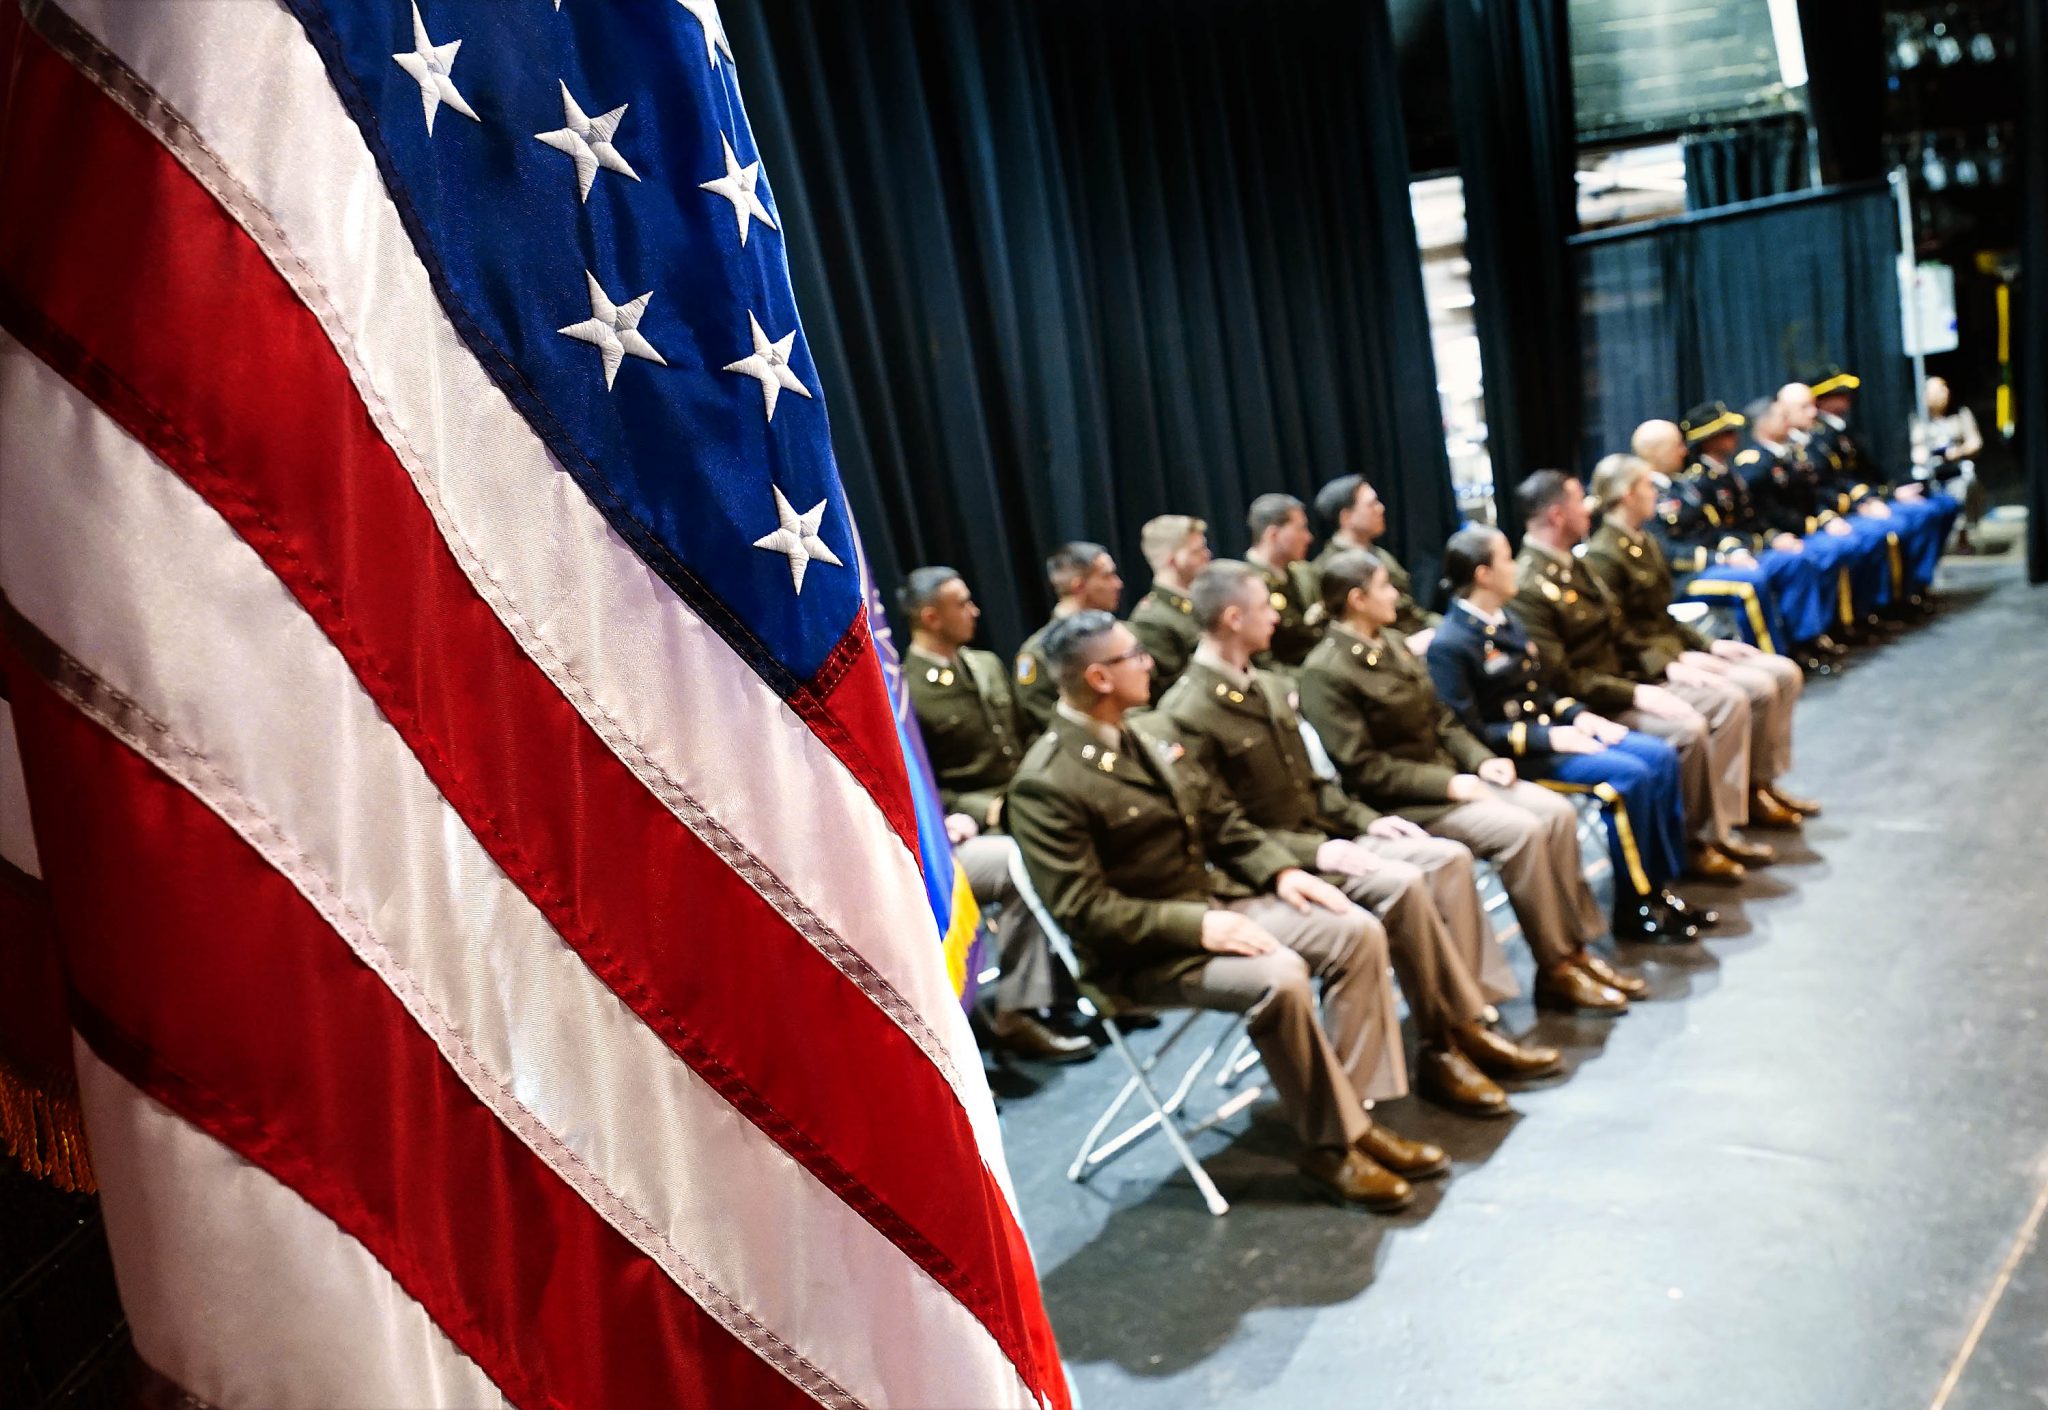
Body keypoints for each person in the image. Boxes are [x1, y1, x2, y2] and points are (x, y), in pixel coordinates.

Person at [1007, 611, 1439, 1209]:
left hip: (1210, 907)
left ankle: (1356, 1117)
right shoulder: (1047, 780)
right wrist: (1200, 925)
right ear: (1100, 678)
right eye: (1135, 655)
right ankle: (1331, 1147)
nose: (1149, 662)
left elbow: (1221, 823)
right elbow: (1084, 911)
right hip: (1142, 956)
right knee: (1280, 976)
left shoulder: (1146, 734)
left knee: (1354, 930)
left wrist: (1281, 871)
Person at [1160, 560, 1563, 1116]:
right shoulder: (1187, 711)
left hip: (1322, 841)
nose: (1276, 616)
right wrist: (1313, 852)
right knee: (1401, 882)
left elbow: (1314, 787)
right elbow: (1217, 825)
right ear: (1233, 618)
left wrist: (1364, 820)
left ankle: (1459, 1032)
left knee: (1443, 859)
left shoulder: (1267, 686)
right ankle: (1437, 1050)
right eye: (1264, 606)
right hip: (1267, 866)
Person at [1298, 548, 1644, 1009]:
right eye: (1384, 587)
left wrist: (1479, 761)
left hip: (1453, 776)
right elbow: (1363, 767)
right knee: (1522, 830)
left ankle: (1578, 948)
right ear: (1357, 599)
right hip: (1403, 802)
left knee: (1556, 813)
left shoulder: (1392, 642)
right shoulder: (1324, 671)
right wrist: (1446, 784)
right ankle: (1555, 966)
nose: (1396, 595)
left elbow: (1442, 720)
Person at [1425, 527, 1696, 968]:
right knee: (1627, 779)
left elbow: (1542, 690)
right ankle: (1636, 904)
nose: (1516, 567)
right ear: (1483, 574)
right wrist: (1546, 737)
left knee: (1659, 757)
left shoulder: (1504, 619)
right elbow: (1467, 730)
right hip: (1516, 758)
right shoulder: (1451, 643)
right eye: (1506, 559)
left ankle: (1661, 886)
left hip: (1553, 734)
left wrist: (1579, 716)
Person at [1511, 470, 1769, 880]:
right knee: (1688, 729)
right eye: (1578, 500)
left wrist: (1671, 664)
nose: (1589, 507)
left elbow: (1622, 633)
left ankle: (1726, 818)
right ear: (1557, 515)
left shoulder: (1574, 565)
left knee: (1726, 698)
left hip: (1625, 682)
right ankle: (1695, 843)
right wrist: (1635, 693)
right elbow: (1560, 678)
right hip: (1592, 706)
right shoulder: (1528, 585)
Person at [900, 568, 1094, 1062]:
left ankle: (1084, 980)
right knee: (1018, 861)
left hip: (1023, 799)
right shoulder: (906, 689)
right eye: (961, 603)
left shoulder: (984, 664)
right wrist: (980, 808)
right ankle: (1020, 1011)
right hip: (975, 818)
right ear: (930, 617)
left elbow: (1020, 739)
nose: (975, 611)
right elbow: (919, 784)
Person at [1583, 454, 1821, 829]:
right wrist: (1673, 662)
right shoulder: (1603, 553)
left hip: (1671, 649)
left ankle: (1760, 785)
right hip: (1645, 666)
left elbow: (1664, 616)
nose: (1655, 494)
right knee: (1749, 690)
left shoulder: (1643, 540)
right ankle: (1722, 818)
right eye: (1647, 486)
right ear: (1628, 494)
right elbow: (1621, 633)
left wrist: (1707, 645)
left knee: (1783, 672)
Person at [1632, 413, 1810, 662]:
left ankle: (1798, 644)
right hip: (1681, 578)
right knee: (1749, 583)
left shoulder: (1680, 486)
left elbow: (1712, 530)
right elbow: (1664, 551)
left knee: (1781, 564)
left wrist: (1733, 551)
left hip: (1714, 563)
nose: (1684, 451)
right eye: (1677, 445)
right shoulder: (1645, 493)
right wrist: (1719, 559)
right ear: (1655, 452)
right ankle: (1772, 660)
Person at [1728, 399, 1857, 658]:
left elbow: (1811, 497)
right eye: (1780, 416)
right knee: (1807, 557)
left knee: (1841, 545)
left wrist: (1824, 519)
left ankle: (1828, 627)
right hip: (1775, 536)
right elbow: (1760, 514)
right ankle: (1803, 638)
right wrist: (1774, 537)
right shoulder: (1753, 463)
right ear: (1763, 424)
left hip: (1796, 530)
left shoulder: (1790, 454)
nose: (1787, 421)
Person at [1309, 474, 1441, 644]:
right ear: (1346, 517)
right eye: (1371, 504)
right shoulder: (1327, 569)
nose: (1381, 508)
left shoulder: (1379, 554)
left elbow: (1410, 612)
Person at [1014, 541, 1124, 735]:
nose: (1118, 584)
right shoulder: (1034, 654)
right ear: (1079, 586)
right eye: (1107, 576)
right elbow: (1044, 717)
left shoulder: (1118, 634)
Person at [1127, 515, 1212, 701]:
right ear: (1172, 560)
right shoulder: (1150, 620)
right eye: (1197, 551)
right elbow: (1174, 689)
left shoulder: (1204, 600)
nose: (1207, 555)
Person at [1243, 493, 1324, 671]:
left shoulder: (1306, 574)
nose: (1308, 537)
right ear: (1273, 534)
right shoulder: (1245, 587)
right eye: (1301, 529)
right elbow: (1262, 660)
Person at [1910, 375, 1980, 554]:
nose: (1944, 393)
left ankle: (1962, 535)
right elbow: (1915, 450)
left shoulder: (1960, 413)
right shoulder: (1917, 418)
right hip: (1930, 470)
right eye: (1938, 390)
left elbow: (1975, 442)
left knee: (1967, 481)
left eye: (1945, 388)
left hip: (1956, 467)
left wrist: (1958, 451)